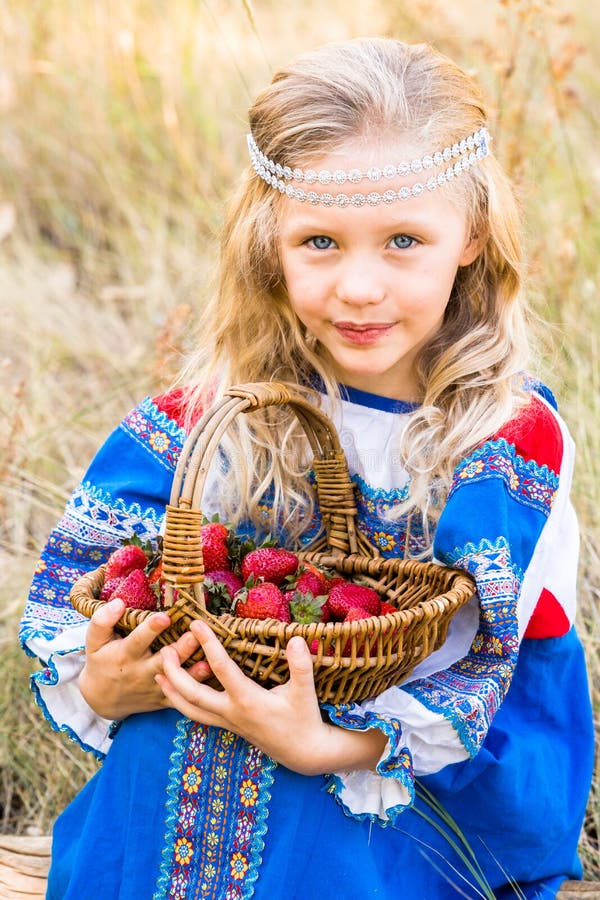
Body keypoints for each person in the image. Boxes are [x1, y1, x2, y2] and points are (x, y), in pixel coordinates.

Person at [20, 37, 594, 900]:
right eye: (320, 242)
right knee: (164, 742)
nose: (359, 288)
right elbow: (89, 580)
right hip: (247, 695)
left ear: (471, 237)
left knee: (301, 799)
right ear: (269, 242)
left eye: (403, 240)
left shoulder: (501, 440)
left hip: (444, 756)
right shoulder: (214, 417)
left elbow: (482, 670)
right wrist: (105, 680)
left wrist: (328, 744)